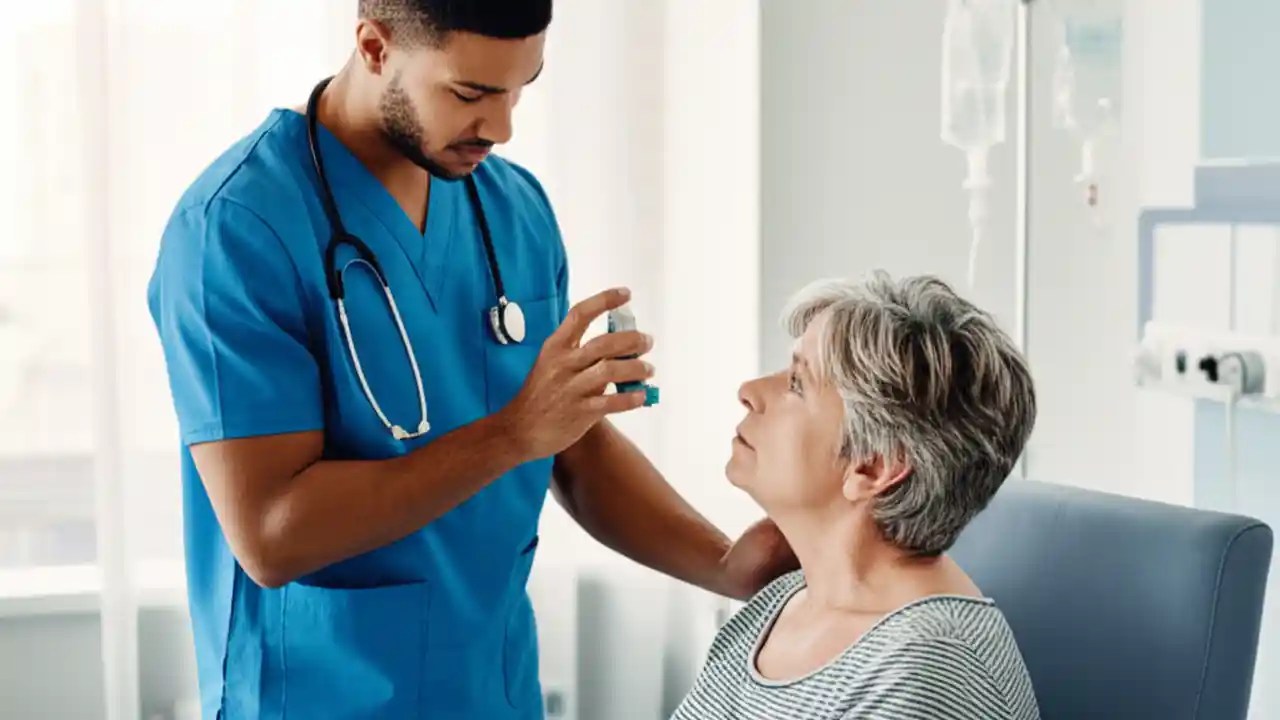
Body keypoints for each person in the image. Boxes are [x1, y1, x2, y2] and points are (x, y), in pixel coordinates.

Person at [146, 2, 796, 717]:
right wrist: (515, 434)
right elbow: (271, 534)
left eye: (521, 89)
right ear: (373, 46)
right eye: (470, 94)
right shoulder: (238, 227)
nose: (502, 127)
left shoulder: (511, 208)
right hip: (316, 695)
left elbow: (567, 447)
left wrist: (728, 566)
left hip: (493, 688)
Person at [672, 272, 1041, 720]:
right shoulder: (782, 604)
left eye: (796, 383)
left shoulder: (928, 672)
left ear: (872, 466)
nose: (749, 392)